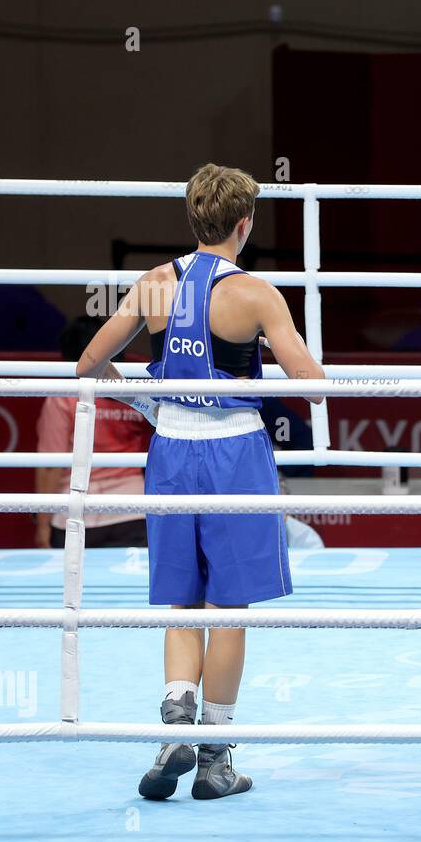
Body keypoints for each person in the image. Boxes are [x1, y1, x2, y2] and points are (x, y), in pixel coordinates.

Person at [76, 163, 326, 802]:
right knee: (229, 607)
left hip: (170, 453)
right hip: (236, 453)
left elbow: (89, 363)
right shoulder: (257, 294)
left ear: (193, 218)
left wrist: (149, 400)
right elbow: (310, 387)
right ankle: (214, 759)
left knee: (181, 601)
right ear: (245, 225)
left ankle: (174, 731)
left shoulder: (155, 285)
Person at [35, 317, 151, 548]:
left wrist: (42, 524)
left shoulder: (63, 398)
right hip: (132, 510)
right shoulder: (135, 394)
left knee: (73, 583)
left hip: (78, 513)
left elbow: (51, 465)